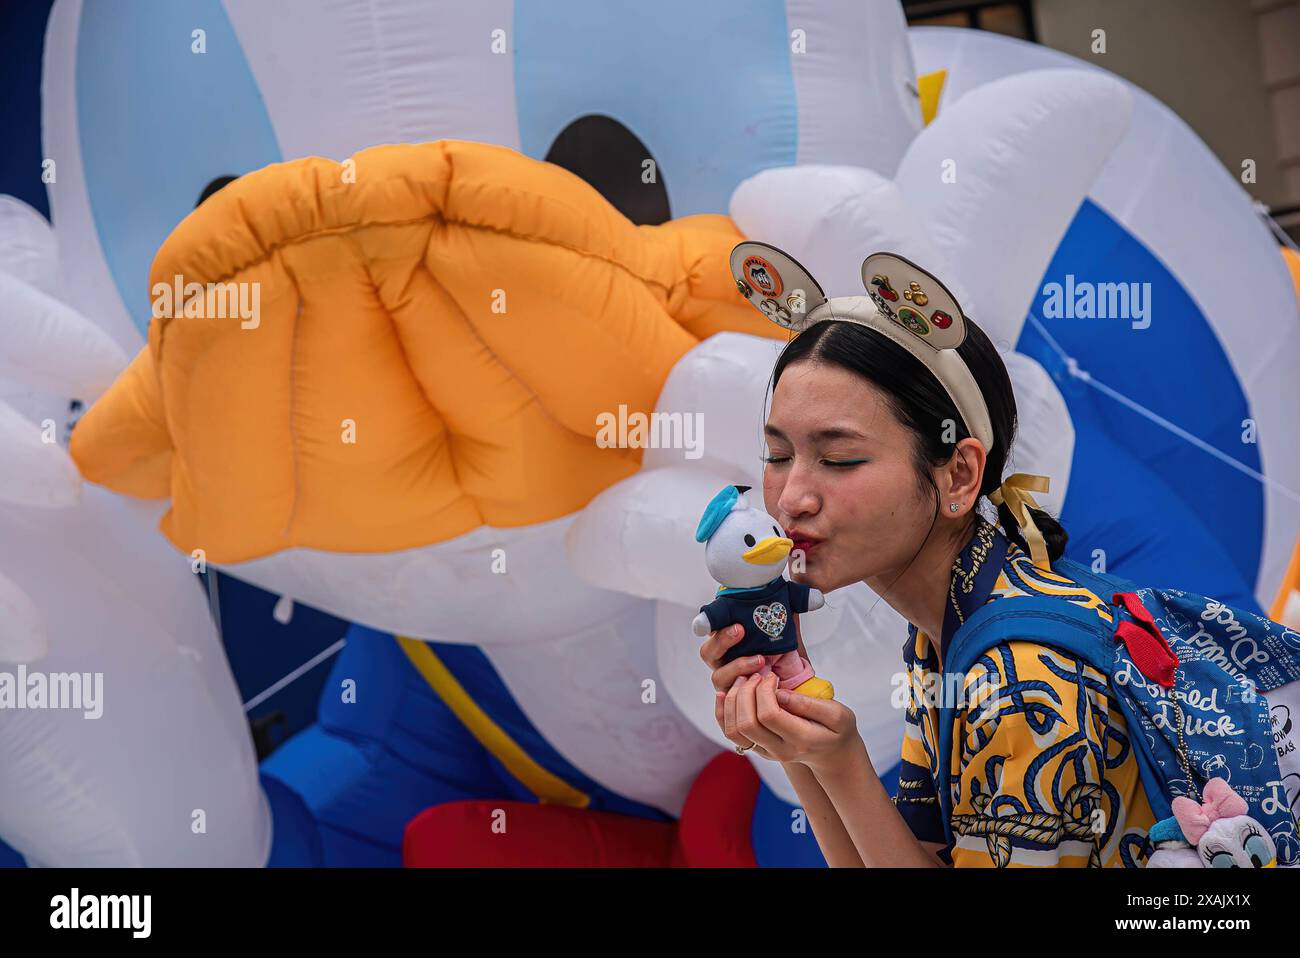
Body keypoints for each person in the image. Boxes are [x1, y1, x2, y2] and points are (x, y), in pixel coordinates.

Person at [701, 244, 1158, 867]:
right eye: (779, 455)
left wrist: (841, 763)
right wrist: (801, 738)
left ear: (959, 474)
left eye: (839, 459)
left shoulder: (1022, 680)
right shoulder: (948, 628)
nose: (793, 497)